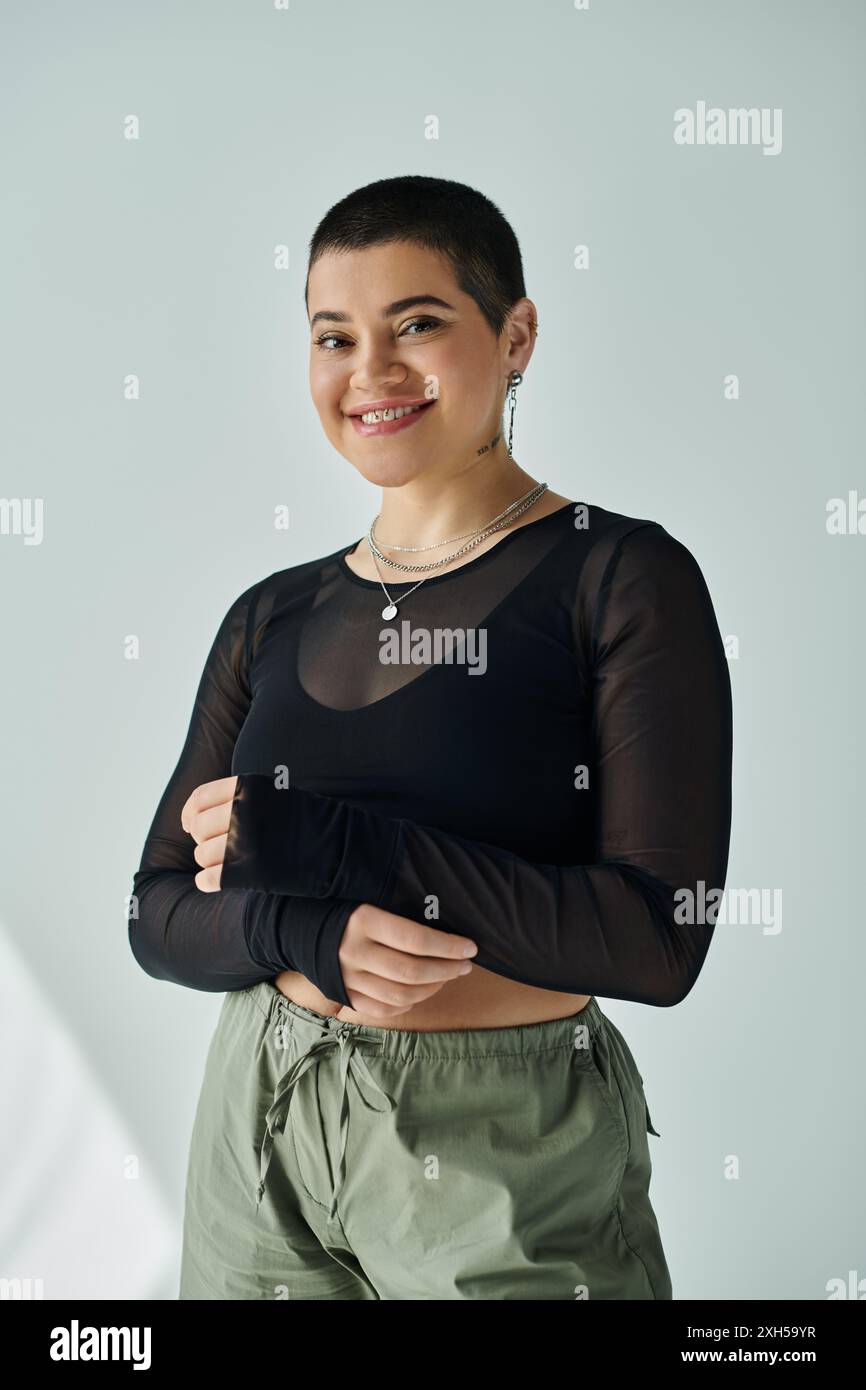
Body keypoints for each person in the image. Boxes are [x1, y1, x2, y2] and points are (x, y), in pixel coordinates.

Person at [128, 174, 733, 1300]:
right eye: (333, 336)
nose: (371, 372)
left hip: (500, 1142)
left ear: (515, 336)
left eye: (416, 324)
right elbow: (157, 911)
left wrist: (331, 847)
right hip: (257, 1116)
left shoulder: (619, 578)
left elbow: (658, 940)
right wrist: (303, 930)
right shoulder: (272, 612)